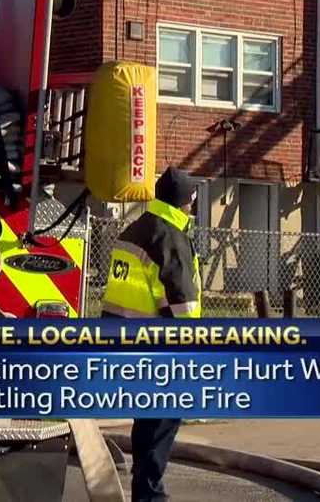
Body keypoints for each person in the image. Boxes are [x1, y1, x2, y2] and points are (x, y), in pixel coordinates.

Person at [102, 166, 203, 501]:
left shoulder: (134, 229)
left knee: (146, 423)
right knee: (161, 426)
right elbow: (181, 304)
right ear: (186, 201)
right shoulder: (170, 235)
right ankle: (149, 496)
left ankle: (143, 491)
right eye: (192, 200)